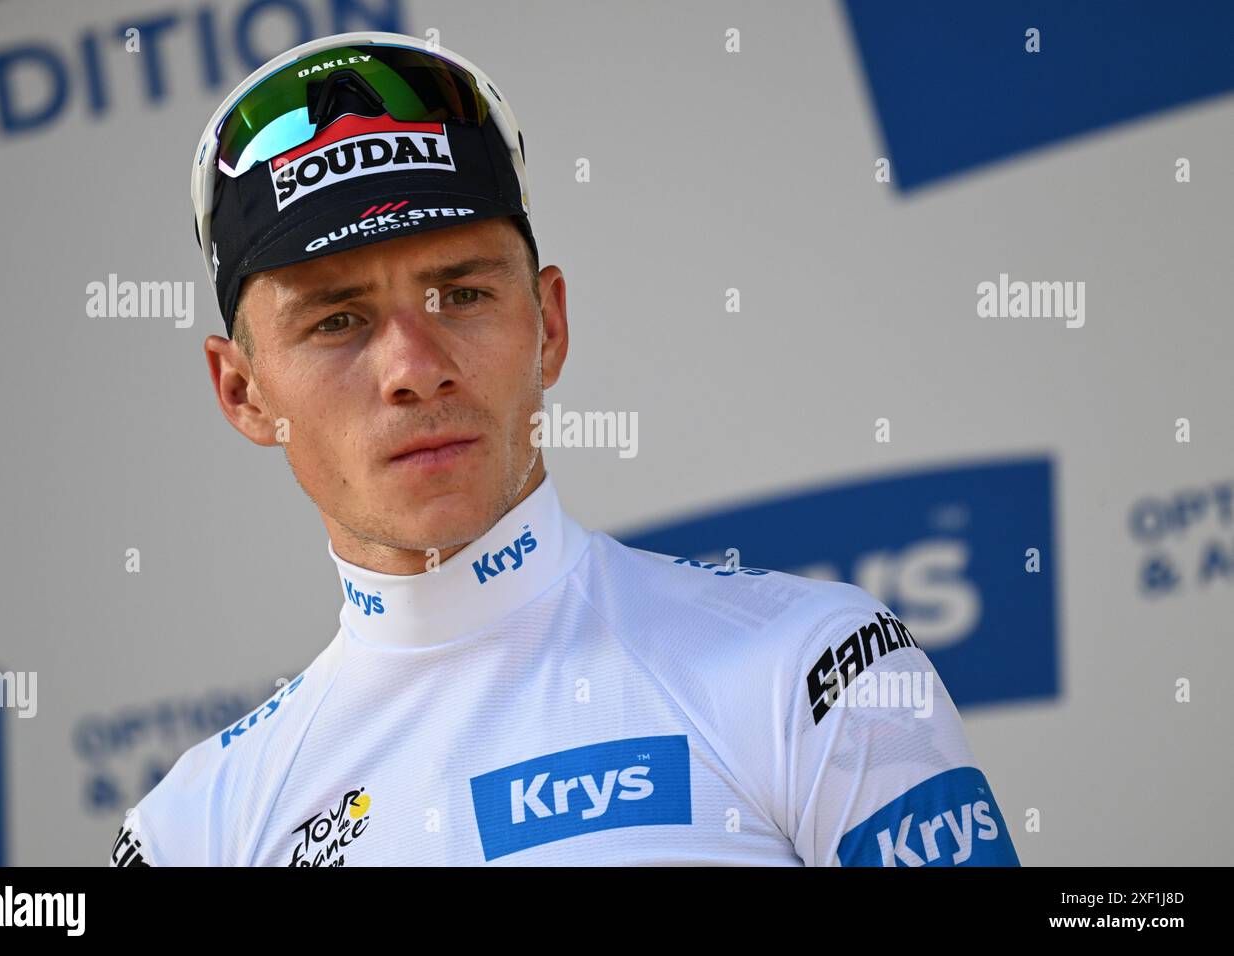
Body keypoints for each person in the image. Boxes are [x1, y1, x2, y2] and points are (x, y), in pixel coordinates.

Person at [108, 30, 1020, 867]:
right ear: (242, 390)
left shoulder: (814, 668)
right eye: (338, 320)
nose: (414, 370)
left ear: (548, 325)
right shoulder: (192, 832)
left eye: (460, 295)